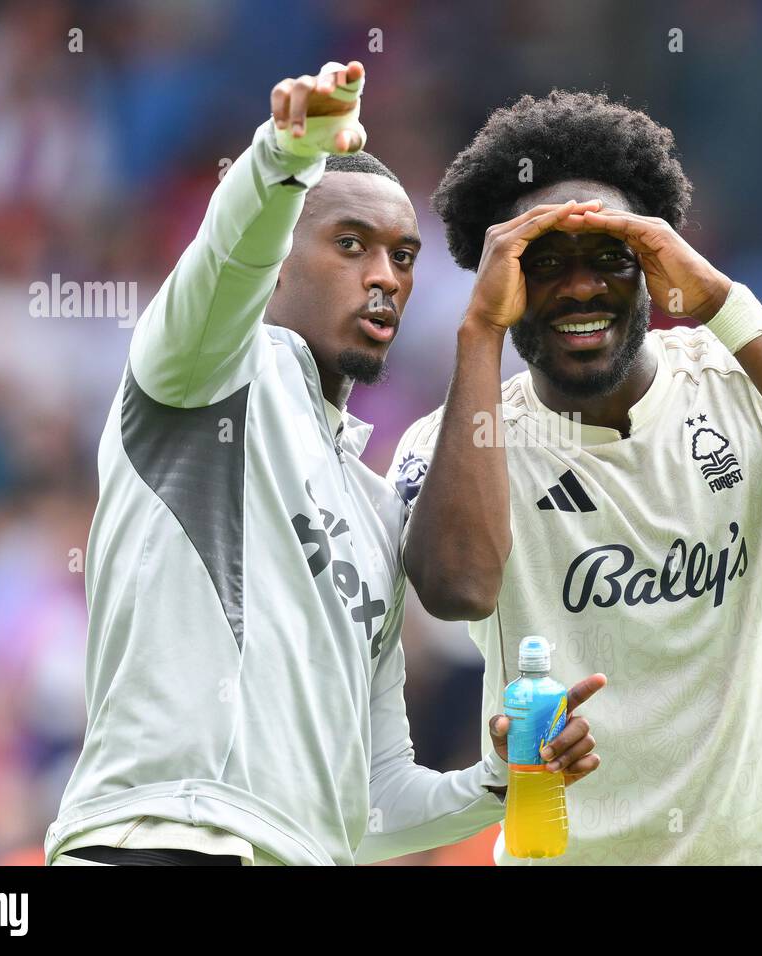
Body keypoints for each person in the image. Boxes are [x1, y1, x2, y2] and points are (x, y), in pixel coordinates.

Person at [46, 64, 603, 866]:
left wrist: (501, 778)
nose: (385, 277)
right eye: (350, 245)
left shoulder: (379, 511)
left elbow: (369, 803)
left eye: (403, 257)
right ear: (278, 257)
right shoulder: (203, 380)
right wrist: (284, 156)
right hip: (164, 839)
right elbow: (226, 262)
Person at [392, 90, 762, 865]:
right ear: (502, 280)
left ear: (654, 262)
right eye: (545, 264)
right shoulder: (454, 443)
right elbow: (458, 589)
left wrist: (720, 303)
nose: (581, 286)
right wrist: (479, 331)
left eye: (611, 256)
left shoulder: (756, 373)